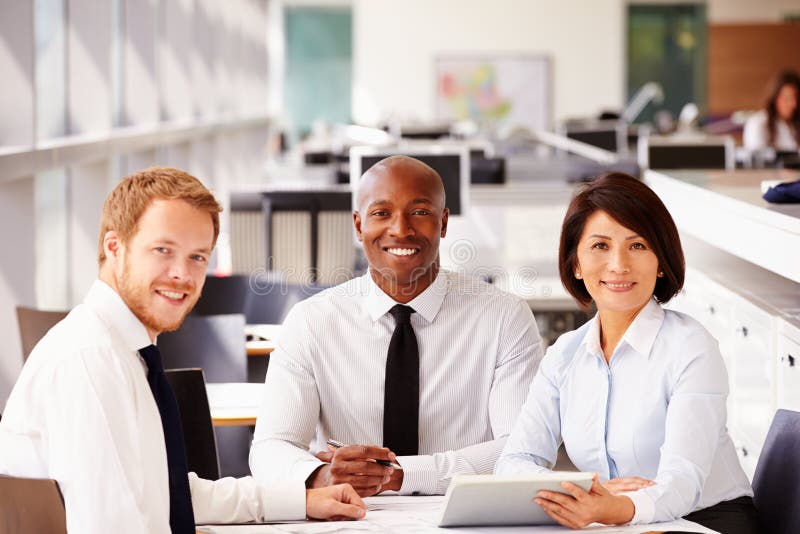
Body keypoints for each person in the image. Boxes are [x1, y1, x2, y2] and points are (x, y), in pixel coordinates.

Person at [0, 167, 365, 533]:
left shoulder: (125, 351)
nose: (182, 274)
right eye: (163, 250)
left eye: (197, 257)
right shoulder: (92, 358)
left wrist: (301, 500)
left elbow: (167, 496)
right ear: (114, 248)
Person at [250, 155, 543, 496]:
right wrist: (320, 476)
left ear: (443, 223)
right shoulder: (311, 322)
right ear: (358, 225)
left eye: (419, 212)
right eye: (381, 213)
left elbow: (522, 449)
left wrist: (402, 475)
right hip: (348, 514)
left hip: (462, 513)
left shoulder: (504, 318)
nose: (401, 229)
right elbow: (271, 447)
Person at [495, 173, 758, 533]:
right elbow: (514, 461)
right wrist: (590, 494)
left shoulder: (691, 347)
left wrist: (613, 506)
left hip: (704, 519)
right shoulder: (564, 355)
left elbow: (682, 481)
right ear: (576, 264)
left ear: (661, 261)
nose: (619, 264)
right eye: (600, 246)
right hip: (615, 521)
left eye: (637, 246)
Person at [743, 69, 800, 151]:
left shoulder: (795, 124)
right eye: (787, 99)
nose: (794, 104)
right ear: (775, 98)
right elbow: (757, 157)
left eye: (796, 98)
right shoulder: (758, 123)